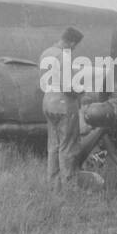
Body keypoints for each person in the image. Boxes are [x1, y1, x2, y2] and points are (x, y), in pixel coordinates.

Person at [40, 27, 84, 187]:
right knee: (68, 146)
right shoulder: (65, 56)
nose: (74, 48)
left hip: (48, 102)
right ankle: (69, 187)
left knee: (53, 145)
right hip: (64, 105)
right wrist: (80, 91)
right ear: (71, 42)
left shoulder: (46, 53)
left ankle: (53, 184)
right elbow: (67, 87)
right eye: (75, 45)